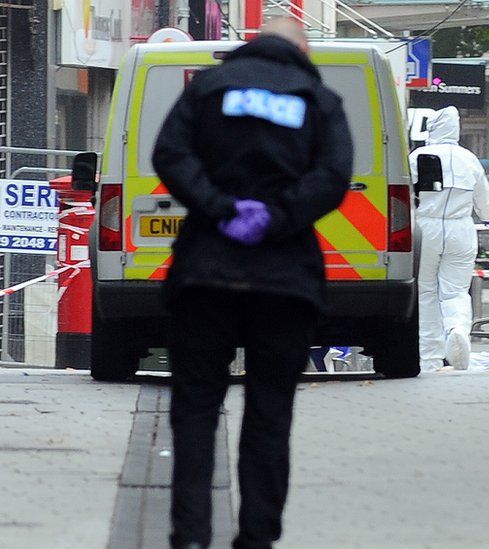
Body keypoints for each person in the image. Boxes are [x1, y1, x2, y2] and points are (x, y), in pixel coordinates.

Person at [152, 19, 352, 549]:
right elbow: (333, 177)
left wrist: (221, 210)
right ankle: (257, 538)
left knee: (195, 407)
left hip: (205, 274)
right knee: (269, 411)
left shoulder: (210, 89)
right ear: (302, 51)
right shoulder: (319, 100)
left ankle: (191, 536)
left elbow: (171, 155)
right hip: (285, 281)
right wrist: (279, 216)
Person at [409, 106, 489, 371]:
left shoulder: (418, 157)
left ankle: (429, 358)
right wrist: (485, 214)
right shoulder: (469, 159)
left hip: (425, 229)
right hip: (461, 230)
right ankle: (458, 330)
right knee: (456, 291)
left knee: (426, 293)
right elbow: (487, 209)